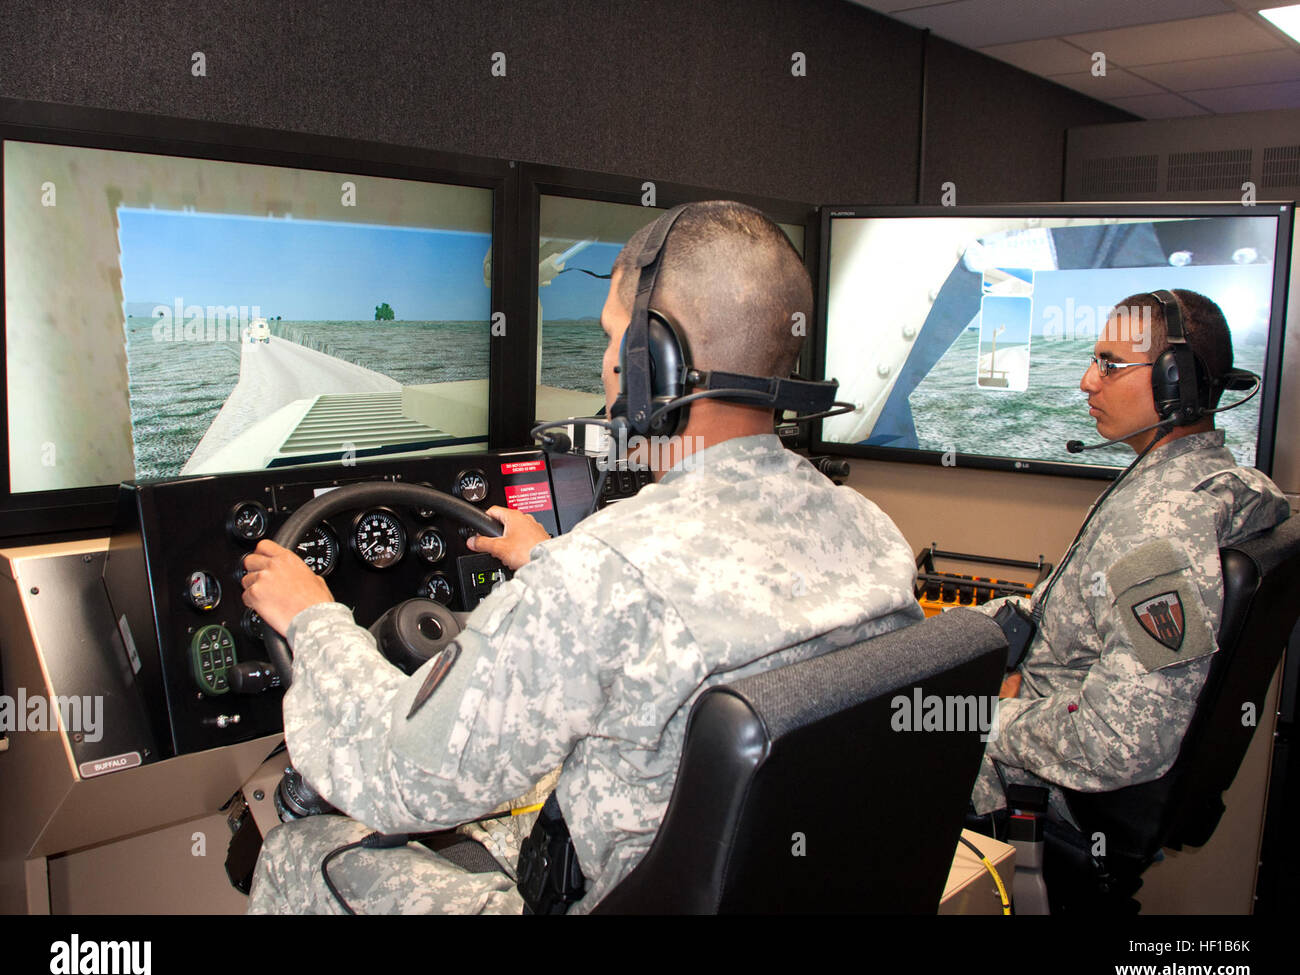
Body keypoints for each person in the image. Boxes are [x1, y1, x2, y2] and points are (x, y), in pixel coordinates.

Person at [241, 201, 925, 914]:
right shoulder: (873, 534)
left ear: (655, 361)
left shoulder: (600, 575)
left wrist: (314, 618)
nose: (604, 365)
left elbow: (396, 775)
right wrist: (551, 564)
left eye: (611, 339)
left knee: (301, 850)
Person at [970, 288, 1291, 822]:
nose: (1087, 381)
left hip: (1023, 790)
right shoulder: (1207, 482)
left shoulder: (1157, 529)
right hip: (1037, 725)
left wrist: (991, 718)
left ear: (1176, 382)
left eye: (1109, 364)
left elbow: (1122, 738)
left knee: (874, 733)